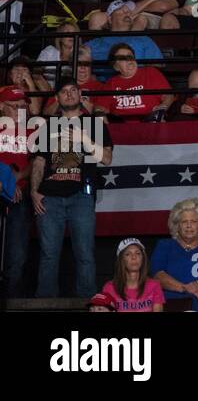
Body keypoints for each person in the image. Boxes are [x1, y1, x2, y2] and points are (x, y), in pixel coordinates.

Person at [30, 77, 114, 298]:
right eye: (64, 91)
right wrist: (34, 190)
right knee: (49, 255)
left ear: (80, 94)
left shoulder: (95, 124)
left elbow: (106, 158)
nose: (69, 94)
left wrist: (84, 139)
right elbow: (39, 161)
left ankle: (87, 303)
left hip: (81, 197)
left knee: (84, 253)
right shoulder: (49, 127)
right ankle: (45, 304)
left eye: (73, 90)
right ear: (57, 98)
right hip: (49, 197)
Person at [153, 198, 198, 310]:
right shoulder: (165, 246)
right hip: (172, 305)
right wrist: (185, 287)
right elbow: (157, 276)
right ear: (176, 225)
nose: (189, 226)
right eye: (184, 222)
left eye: (193, 222)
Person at [99, 238, 165, 312]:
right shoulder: (109, 288)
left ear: (143, 258)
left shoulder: (155, 285)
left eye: (138, 253)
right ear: (121, 260)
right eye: (128, 254)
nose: (134, 257)